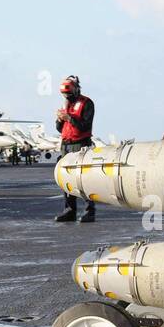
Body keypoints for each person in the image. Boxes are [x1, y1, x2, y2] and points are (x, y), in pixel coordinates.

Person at [54, 76, 95, 223]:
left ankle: (90, 211)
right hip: (65, 144)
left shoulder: (87, 103)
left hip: (80, 144)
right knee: (65, 177)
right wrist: (59, 120)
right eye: (65, 95)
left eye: (69, 94)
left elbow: (85, 125)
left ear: (76, 90)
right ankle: (70, 210)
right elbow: (60, 129)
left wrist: (69, 117)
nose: (67, 97)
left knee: (83, 178)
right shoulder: (66, 105)